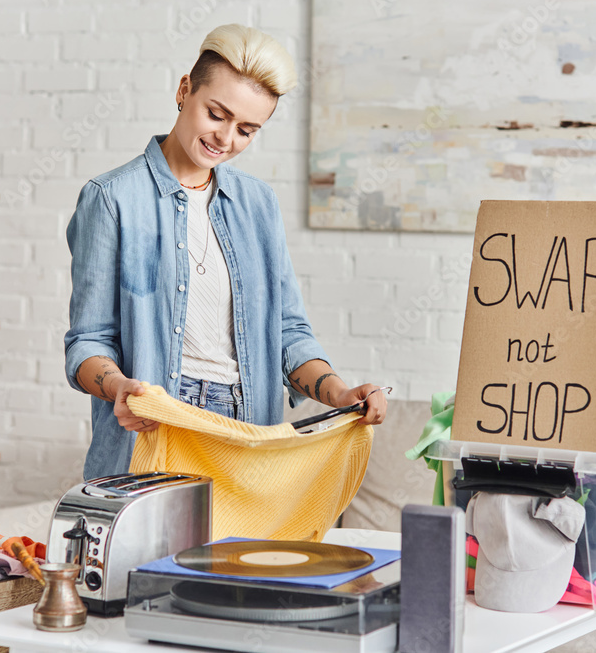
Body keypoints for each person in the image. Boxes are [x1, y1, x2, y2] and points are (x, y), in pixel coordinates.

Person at [64, 24, 388, 480]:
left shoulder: (258, 204)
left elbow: (288, 332)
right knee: (153, 554)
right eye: (216, 114)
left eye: (247, 130)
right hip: (158, 425)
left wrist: (338, 392)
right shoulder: (112, 198)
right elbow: (88, 341)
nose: (225, 139)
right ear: (184, 90)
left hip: (247, 427)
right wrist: (119, 387)